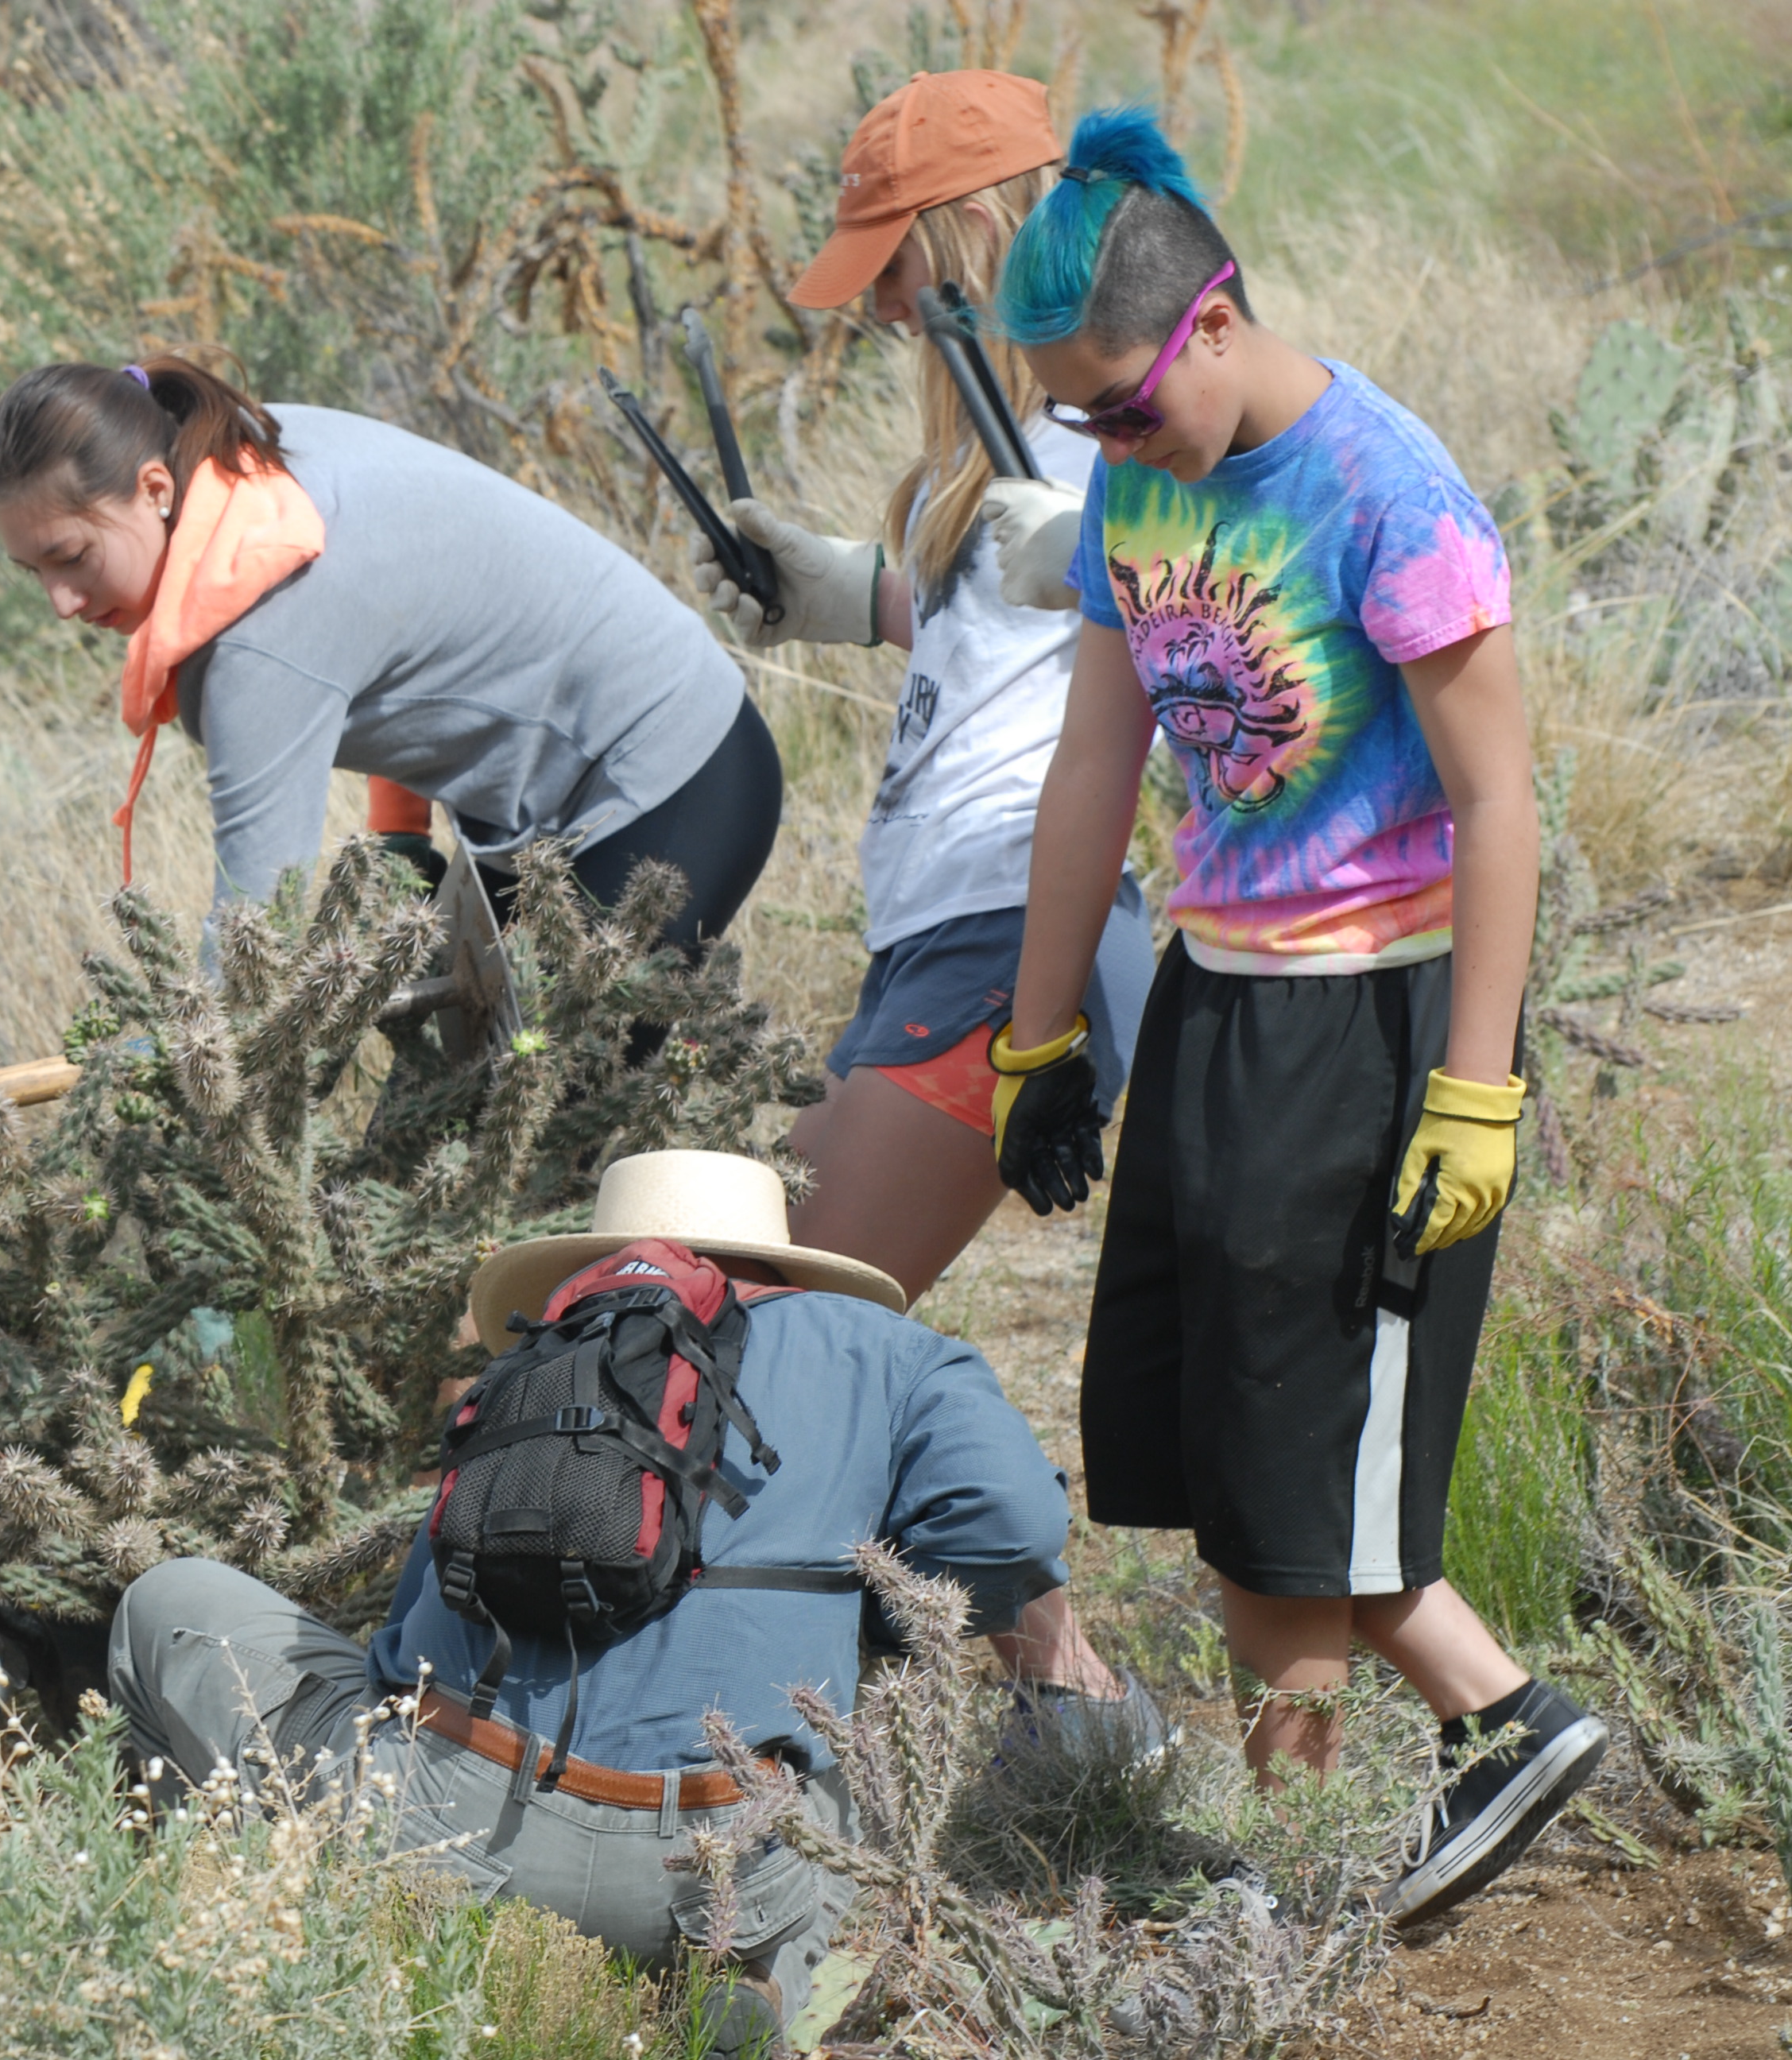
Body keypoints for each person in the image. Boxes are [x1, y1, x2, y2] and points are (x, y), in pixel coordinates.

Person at [986, 108, 1604, 1922]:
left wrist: (1474, 1095)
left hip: (1374, 1014)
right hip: (1215, 995)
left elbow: (1503, 800)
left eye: (1118, 404)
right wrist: (1042, 1038)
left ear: (1217, 324)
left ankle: (1303, 1882)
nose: (1101, 445)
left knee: (1290, 1457)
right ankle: (1495, 1726)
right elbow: (1095, 762)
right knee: (1223, 1438)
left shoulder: (1385, 488)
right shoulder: (1135, 482)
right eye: (1073, 419)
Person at [109, 1148, 1072, 2050]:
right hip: (721, 1860)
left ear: (608, 1257)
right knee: (839, 1748)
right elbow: (1017, 1529)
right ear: (789, 1265)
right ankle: (741, 1972)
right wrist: (859, 1615)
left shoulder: (549, 1346)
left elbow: (404, 1648)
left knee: (167, 1597)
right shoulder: (894, 1356)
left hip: (453, 1823)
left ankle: (218, 1948)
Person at [683, 68, 1161, 1759]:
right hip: (932, 928)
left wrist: (1095, 544)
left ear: (978, 229)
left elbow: (1213, 587)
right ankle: (1051, 1688)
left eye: (897, 263)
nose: (881, 304)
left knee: (792, 1313)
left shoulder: (1119, 407)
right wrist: (840, 588)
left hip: (1010, 922)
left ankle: (1057, 1696)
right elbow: (990, 627)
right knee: (797, 1314)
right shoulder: (985, 440)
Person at [0, 356, 781, 960]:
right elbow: (407, 619)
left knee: (546, 1141)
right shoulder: (242, 457)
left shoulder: (258, 633)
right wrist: (399, 832)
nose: (60, 602)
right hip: (533, 817)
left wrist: (166, 1065)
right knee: (445, 1135)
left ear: (154, 487)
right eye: (32, 573)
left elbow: (257, 938)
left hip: (674, 776)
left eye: (71, 556)